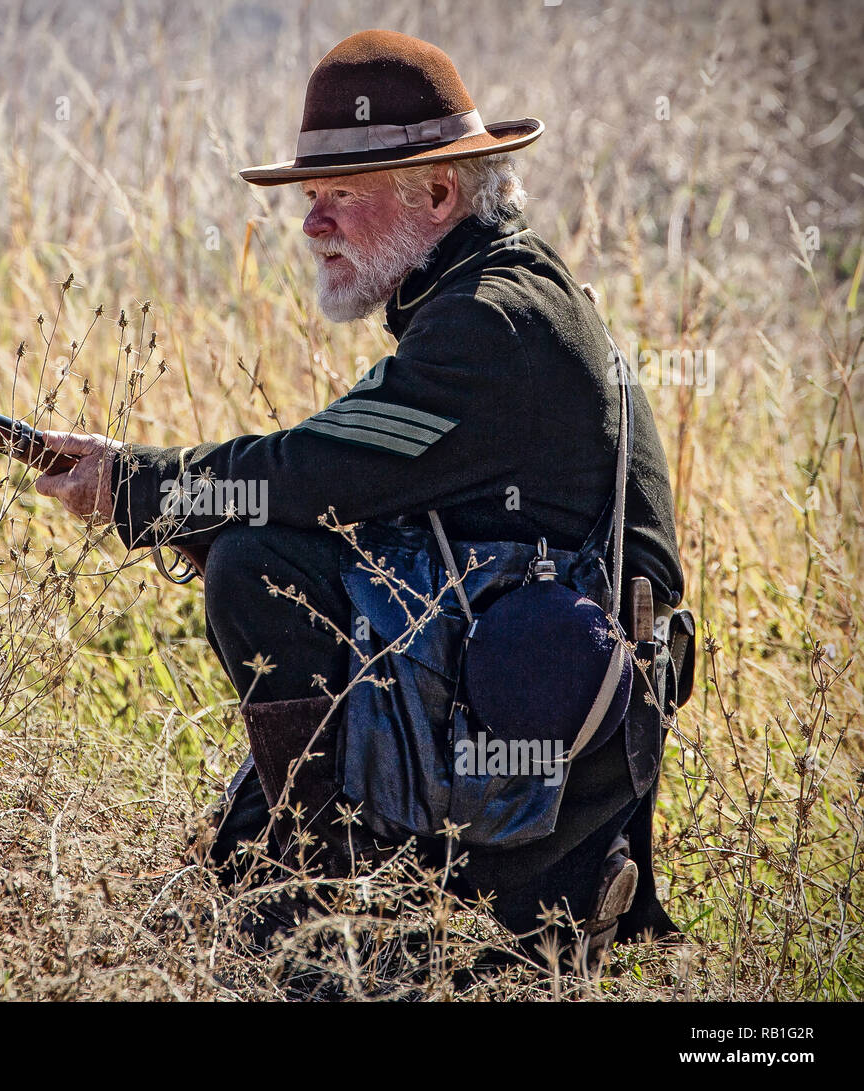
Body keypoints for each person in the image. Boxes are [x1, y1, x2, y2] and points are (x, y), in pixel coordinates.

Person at [36, 30, 692, 959]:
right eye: (311, 197)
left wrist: (133, 485)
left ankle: (313, 884)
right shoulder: (500, 295)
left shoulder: (491, 323)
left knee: (262, 561)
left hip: (565, 736)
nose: (312, 224)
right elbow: (356, 488)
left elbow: (311, 471)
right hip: (572, 724)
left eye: (341, 195)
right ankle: (358, 880)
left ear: (437, 192)